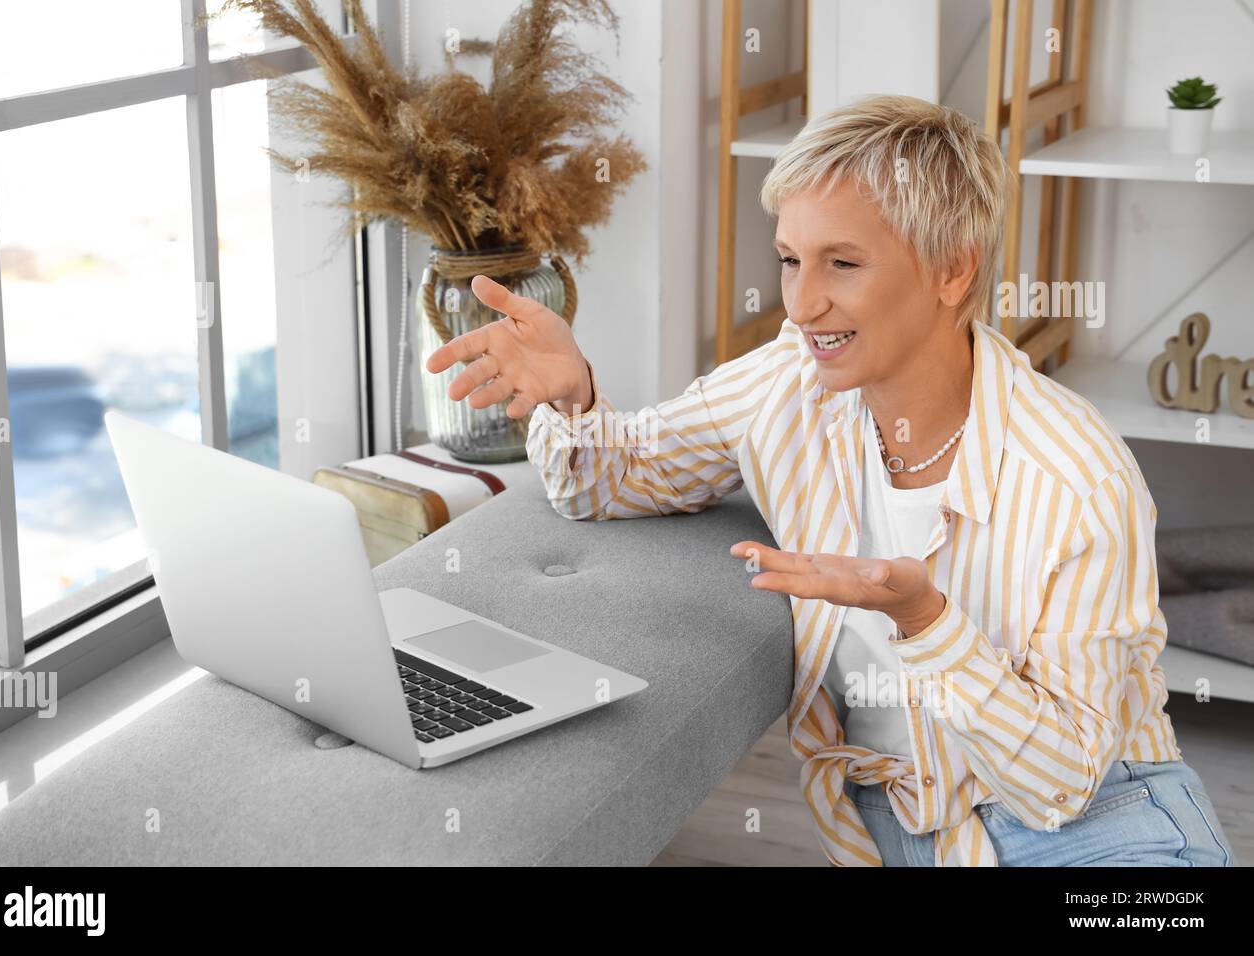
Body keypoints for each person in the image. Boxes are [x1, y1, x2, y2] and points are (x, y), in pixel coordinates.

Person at [424, 94, 1236, 867]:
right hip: (902, 824)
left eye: (842, 263)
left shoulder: (1077, 477)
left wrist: (924, 619)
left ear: (954, 271)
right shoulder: (787, 381)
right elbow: (610, 478)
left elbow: (1061, 782)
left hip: (1101, 828)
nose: (804, 303)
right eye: (788, 261)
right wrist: (574, 393)